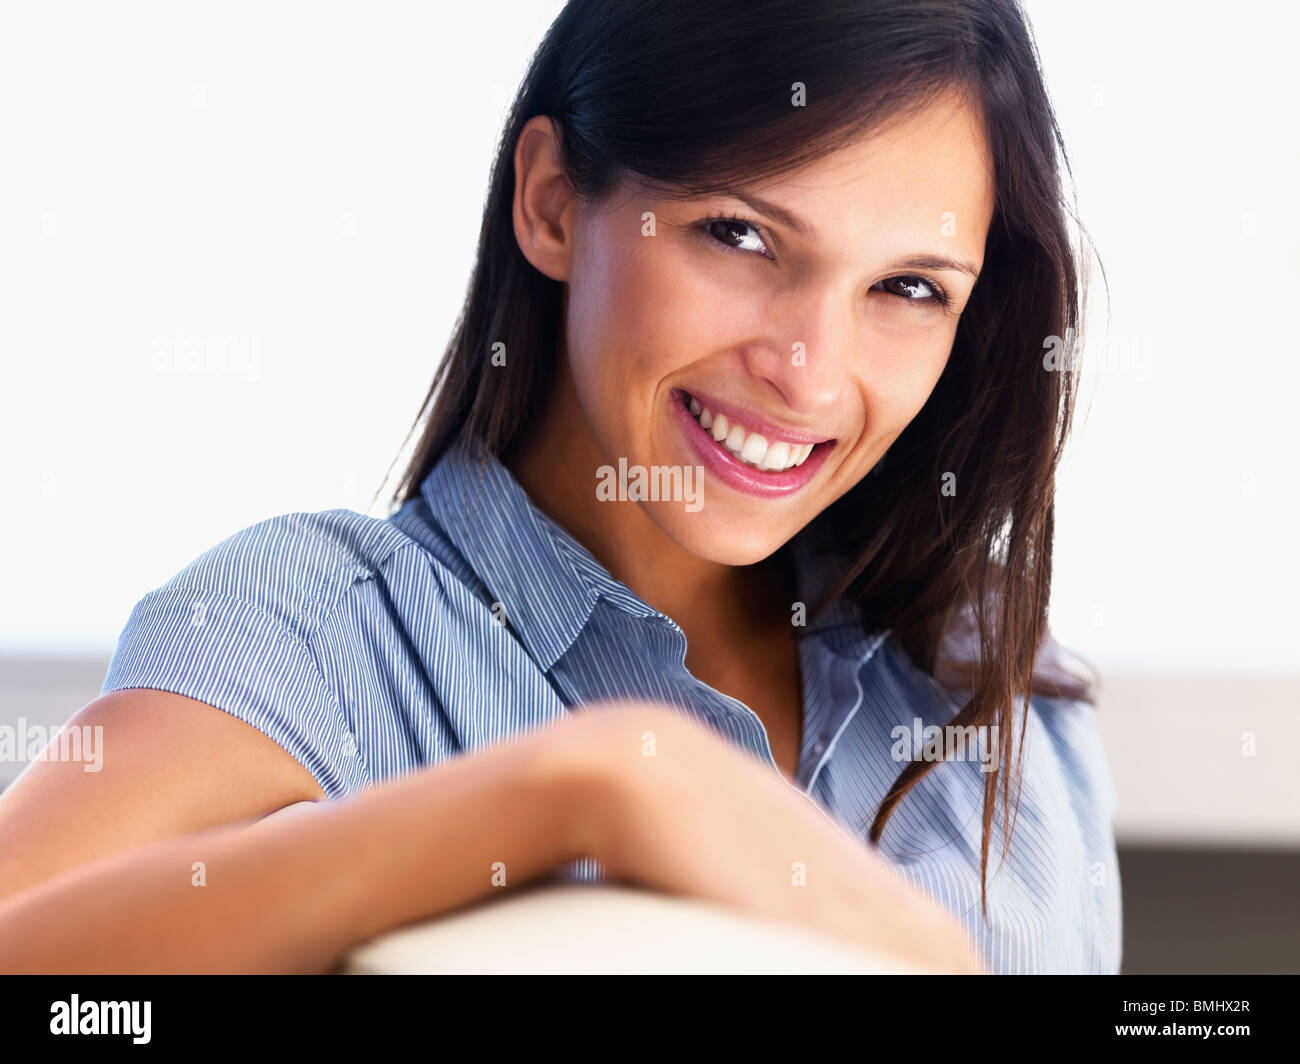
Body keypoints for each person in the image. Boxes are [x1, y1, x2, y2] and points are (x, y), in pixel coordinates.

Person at [0, 0, 1120, 974]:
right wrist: (568, 791)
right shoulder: (312, 635)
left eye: (908, 287)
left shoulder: (995, 701)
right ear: (548, 201)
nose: (809, 372)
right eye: (738, 235)